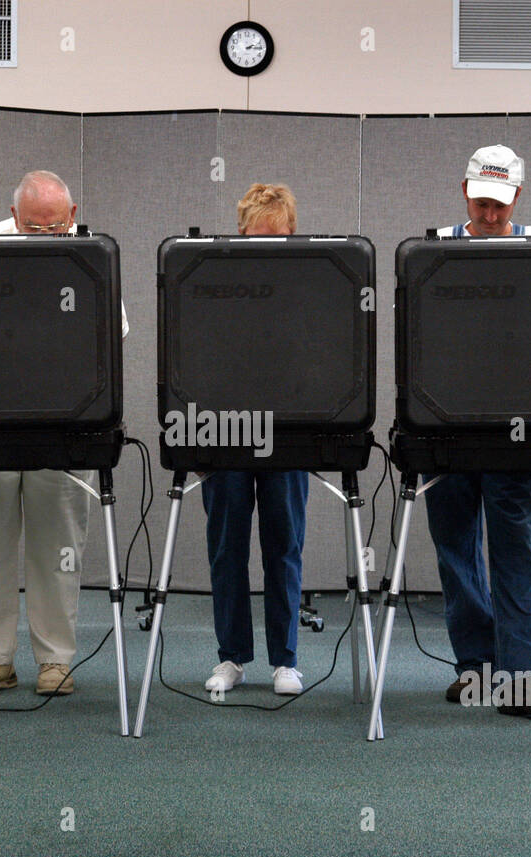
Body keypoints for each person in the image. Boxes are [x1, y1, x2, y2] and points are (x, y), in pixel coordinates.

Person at [0, 170, 128, 698]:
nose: (45, 235)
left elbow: (113, 334)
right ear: (15, 217)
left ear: (71, 216)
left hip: (64, 420)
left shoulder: (91, 255)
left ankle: (55, 662)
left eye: (54, 227)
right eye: (33, 226)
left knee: (59, 545)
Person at [426, 145, 531, 718]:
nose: (491, 216)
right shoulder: (433, 248)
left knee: (515, 548)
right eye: (483, 203)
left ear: (519, 197)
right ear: (465, 191)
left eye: (502, 205)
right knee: (456, 547)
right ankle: (477, 668)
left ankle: (526, 676)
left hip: (515, 423)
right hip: (447, 422)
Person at [201, 183, 310, 697]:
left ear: (292, 235)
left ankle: (285, 659)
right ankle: (232, 657)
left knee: (283, 544)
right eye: (256, 238)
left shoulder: (309, 293)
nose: (267, 247)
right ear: (239, 234)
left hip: (286, 431)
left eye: (278, 238)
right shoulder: (211, 290)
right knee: (227, 548)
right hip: (225, 432)